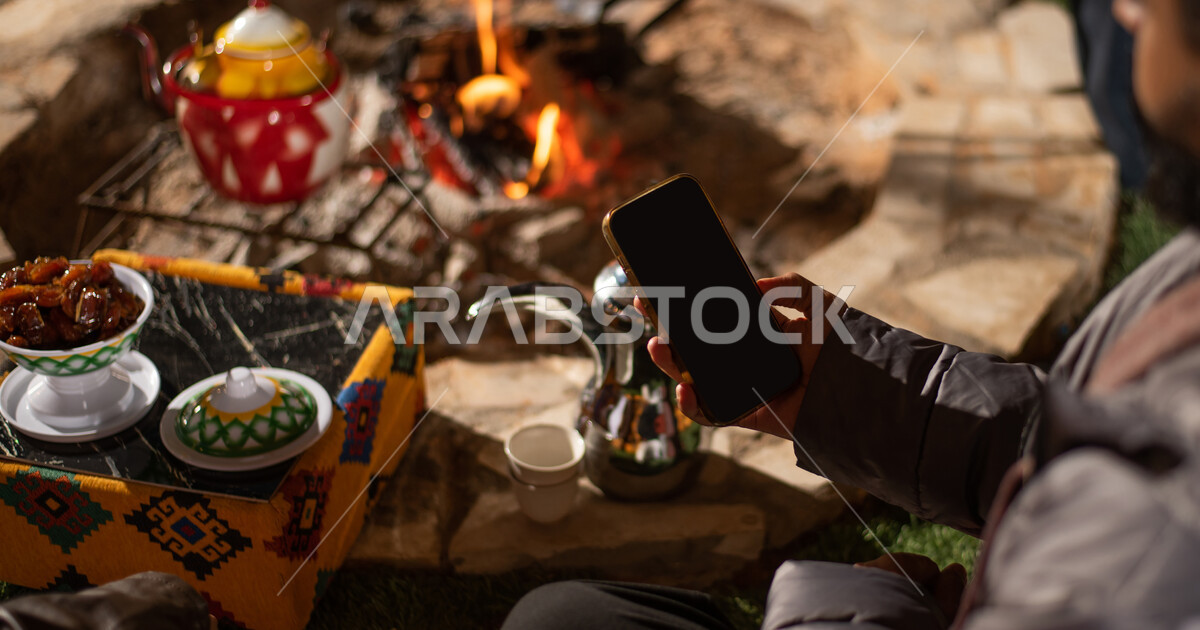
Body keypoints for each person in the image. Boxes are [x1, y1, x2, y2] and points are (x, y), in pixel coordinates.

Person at [502, 0, 1200, 627]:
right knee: (561, 616)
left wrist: (861, 604)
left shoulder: (1156, 533)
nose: (1126, 11)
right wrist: (854, 385)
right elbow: (1063, 444)